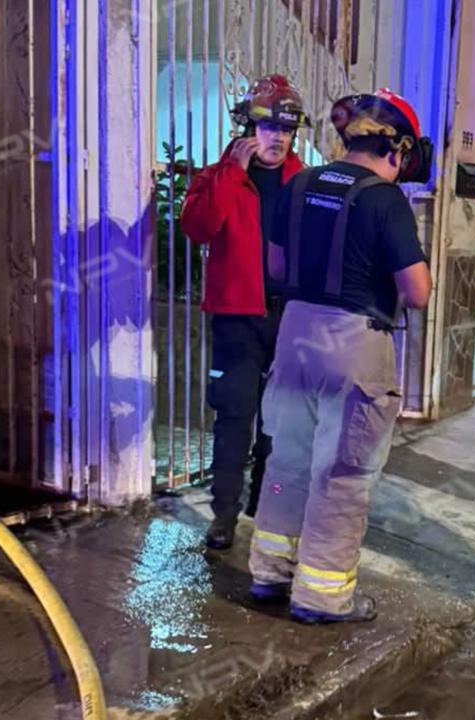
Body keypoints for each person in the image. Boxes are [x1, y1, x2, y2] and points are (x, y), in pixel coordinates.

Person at [248, 88, 433, 624]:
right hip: (353, 344)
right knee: (342, 473)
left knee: (287, 460)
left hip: (295, 336)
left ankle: (269, 574)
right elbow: (417, 292)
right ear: (396, 147)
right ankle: (322, 597)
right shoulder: (386, 198)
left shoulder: (298, 183)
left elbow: (277, 270)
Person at [181, 75, 311, 550]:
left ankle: (265, 510)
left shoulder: (306, 182)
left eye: (285, 129)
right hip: (236, 320)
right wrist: (232, 173)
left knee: (281, 423)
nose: (276, 138)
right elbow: (197, 227)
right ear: (245, 130)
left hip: (291, 321)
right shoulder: (216, 177)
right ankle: (224, 514)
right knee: (234, 417)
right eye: (266, 127)